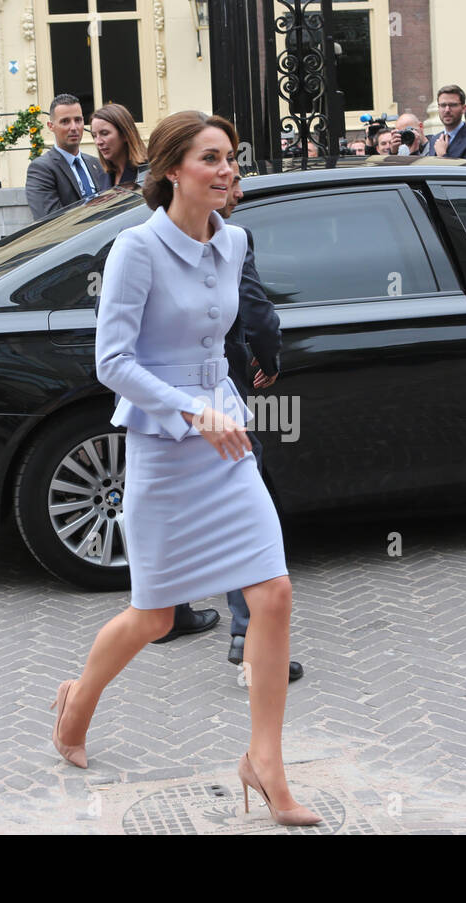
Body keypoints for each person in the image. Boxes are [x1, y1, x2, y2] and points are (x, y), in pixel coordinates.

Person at [52, 110, 320, 827]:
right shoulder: (135, 250)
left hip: (227, 440)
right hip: (163, 445)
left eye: (231, 157)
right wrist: (187, 408)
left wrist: (225, 398)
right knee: (155, 614)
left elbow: (231, 327)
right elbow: (113, 363)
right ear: (173, 169)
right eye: (211, 158)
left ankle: (265, 762)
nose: (227, 170)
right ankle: (77, 700)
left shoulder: (232, 242)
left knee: (274, 592)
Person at [160, 161, 301, 682]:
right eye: (220, 169)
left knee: (186, 507)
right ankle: (247, 635)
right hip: (214, 401)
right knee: (243, 513)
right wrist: (270, 355)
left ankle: (171, 611)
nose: (232, 186)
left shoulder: (210, 236)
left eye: (235, 174)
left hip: (188, 406)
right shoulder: (213, 241)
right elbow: (257, 309)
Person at [24, 93, 106, 220]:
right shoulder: (41, 169)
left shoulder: (96, 163)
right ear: (51, 126)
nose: (73, 127)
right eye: (65, 121)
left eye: (78, 120)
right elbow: (50, 221)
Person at [90, 102, 148, 190]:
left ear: (125, 134)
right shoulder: (103, 177)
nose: (98, 141)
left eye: (104, 133)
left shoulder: (148, 172)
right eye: (94, 135)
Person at [427, 85, 466, 159]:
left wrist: (442, 155)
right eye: (443, 105)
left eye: (452, 105)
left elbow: (464, 171)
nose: (447, 110)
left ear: (464, 109)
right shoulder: (434, 140)